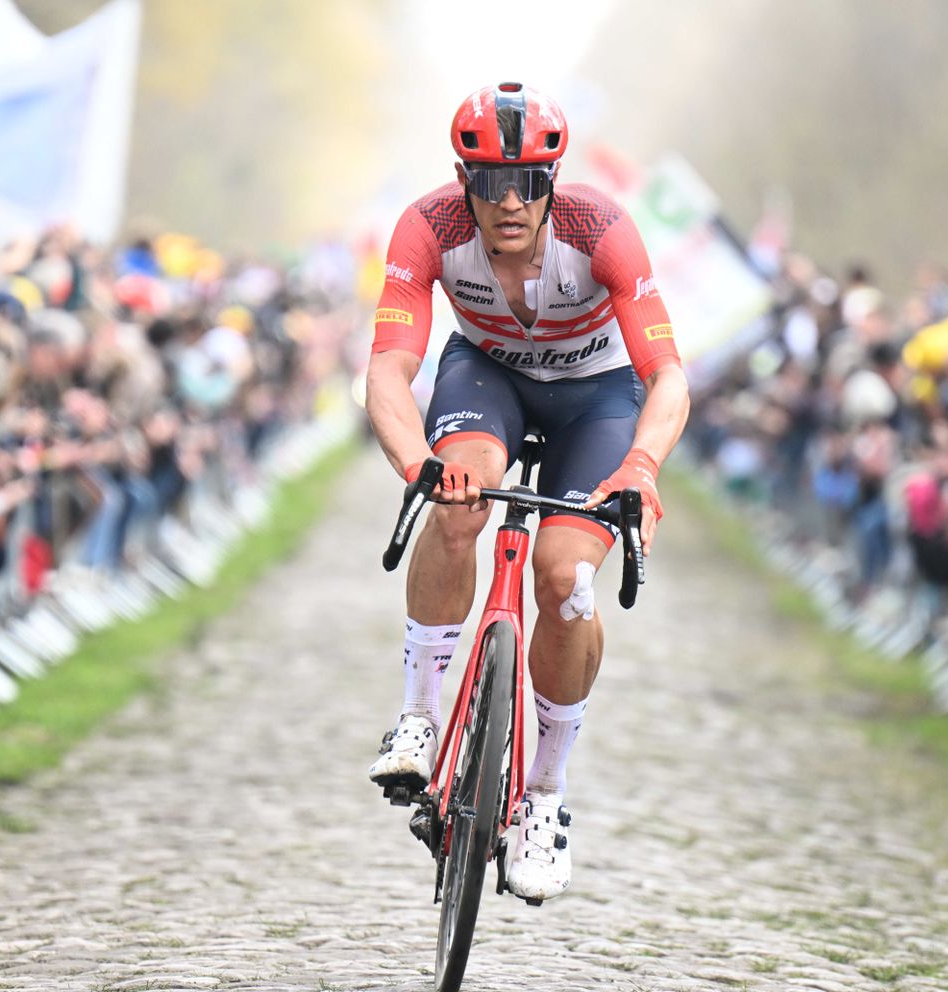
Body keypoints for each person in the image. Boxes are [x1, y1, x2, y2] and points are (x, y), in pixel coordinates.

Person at [363, 82, 690, 901]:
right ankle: (417, 714)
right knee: (459, 499)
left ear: (554, 182)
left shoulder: (602, 231)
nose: (509, 202)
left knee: (567, 579)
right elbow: (388, 369)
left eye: (529, 183)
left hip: (598, 396)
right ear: (462, 181)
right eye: (490, 183)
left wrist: (641, 468)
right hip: (490, 378)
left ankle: (545, 795)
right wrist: (417, 464)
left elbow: (668, 377)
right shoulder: (427, 228)